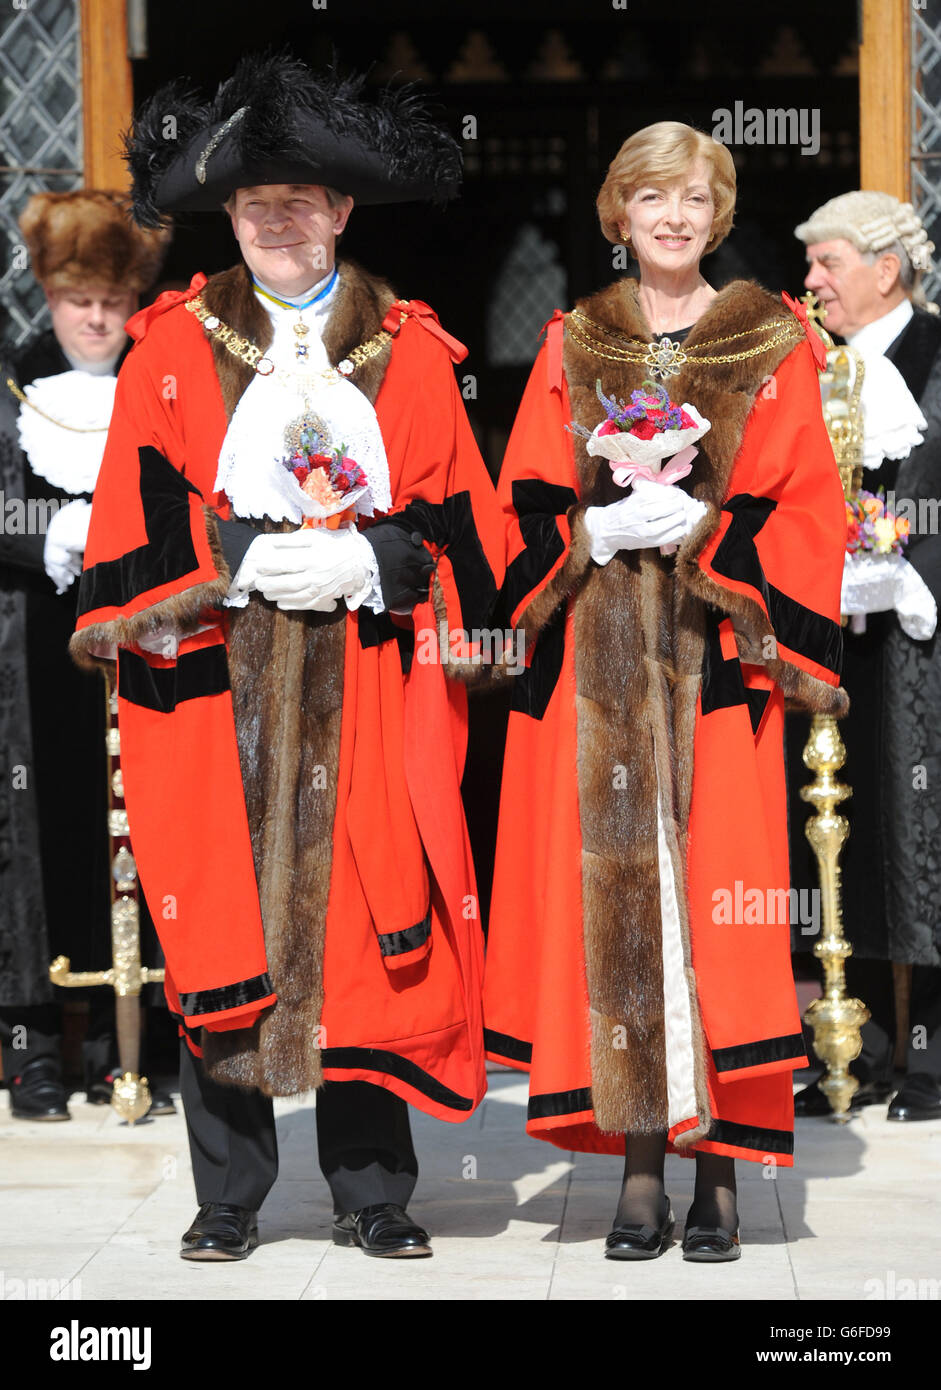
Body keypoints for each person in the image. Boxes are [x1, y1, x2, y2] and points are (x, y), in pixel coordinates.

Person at [70, 54, 504, 1261]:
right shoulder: (168, 342)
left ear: (341, 213)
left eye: (300, 198)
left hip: (365, 672)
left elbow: (465, 522)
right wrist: (236, 557)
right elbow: (129, 525)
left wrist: (380, 564)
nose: (275, 216)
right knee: (223, 919)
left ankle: (372, 1189)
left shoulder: (411, 347)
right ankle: (228, 1197)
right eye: (255, 200)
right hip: (219, 674)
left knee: (368, 922)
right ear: (230, 215)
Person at [483, 121, 847, 1262]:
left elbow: (808, 514)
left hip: (714, 670)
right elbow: (518, 505)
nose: (673, 217)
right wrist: (587, 526)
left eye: (693, 196)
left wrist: (704, 531)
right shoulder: (570, 339)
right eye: (652, 198)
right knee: (619, 909)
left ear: (718, 210)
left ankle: (724, 1172)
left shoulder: (770, 340)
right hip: (599, 666)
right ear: (619, 213)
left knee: (722, 909)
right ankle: (639, 1162)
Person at [0, 191, 175, 1120]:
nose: (97, 320)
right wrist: (45, 530)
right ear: (48, 294)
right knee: (32, 839)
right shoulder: (11, 377)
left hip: (142, 647)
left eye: (112, 301)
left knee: (142, 828)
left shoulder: (161, 377)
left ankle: (135, 1039)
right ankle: (32, 1044)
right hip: (26, 652)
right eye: (79, 301)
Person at [789, 192, 941, 1123]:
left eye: (826, 264)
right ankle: (859, 1052)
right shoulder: (816, 366)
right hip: (833, 634)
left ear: (884, 270)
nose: (810, 282)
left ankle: (931, 1058)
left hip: (924, 637)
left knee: (924, 839)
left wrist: (916, 568)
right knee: (838, 833)